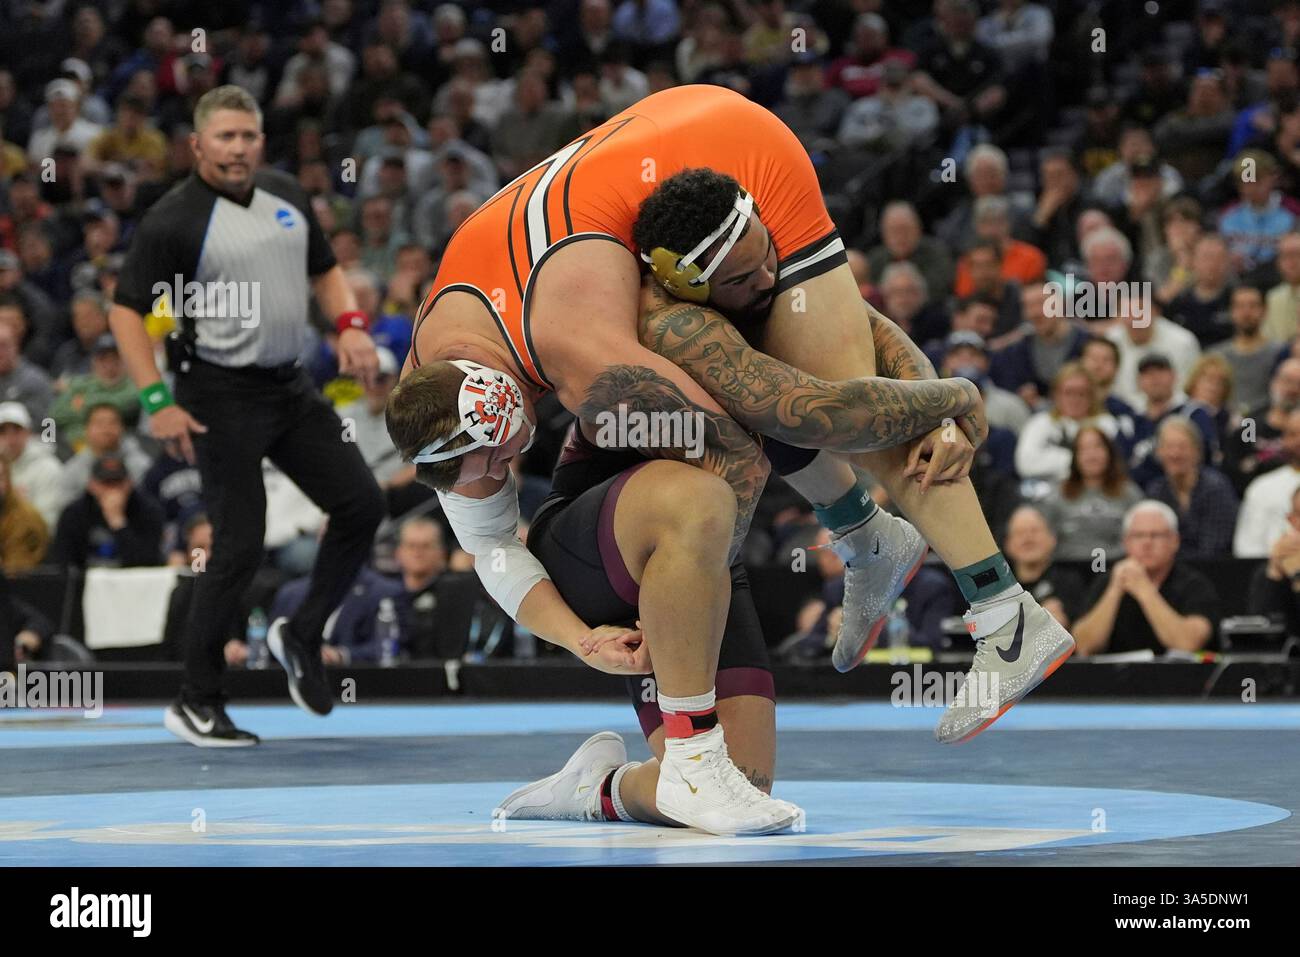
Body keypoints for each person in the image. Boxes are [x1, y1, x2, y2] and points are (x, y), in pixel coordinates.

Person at [393, 84, 1075, 748]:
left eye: (497, 454)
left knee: (792, 402)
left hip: (725, 154)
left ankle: (1003, 612)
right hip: (652, 153)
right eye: (484, 465)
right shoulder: (435, 403)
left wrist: (953, 401)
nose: (500, 471)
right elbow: (488, 544)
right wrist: (579, 638)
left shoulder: (590, 346)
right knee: (784, 359)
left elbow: (775, 425)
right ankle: (869, 535)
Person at [106, 86, 386, 747]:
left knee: (361, 504)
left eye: (248, 136)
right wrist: (155, 399)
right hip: (215, 394)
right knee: (239, 545)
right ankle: (195, 700)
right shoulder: (173, 219)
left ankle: (302, 631)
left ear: (263, 140)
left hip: (289, 385)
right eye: (225, 137)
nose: (238, 148)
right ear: (198, 145)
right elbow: (124, 310)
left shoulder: (287, 192)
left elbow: (326, 270)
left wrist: (349, 325)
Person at [1073, 500, 1221, 656]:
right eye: (1138, 535)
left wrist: (1145, 591)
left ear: (1175, 541)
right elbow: (1084, 646)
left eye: (1156, 535)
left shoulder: (1194, 584)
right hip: (1114, 677)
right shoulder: (1107, 582)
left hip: (1177, 677)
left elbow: (1188, 643)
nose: (1147, 542)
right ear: (1126, 543)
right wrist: (1114, 590)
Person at [1039, 425, 1143, 563]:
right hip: (1067, 567)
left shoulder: (1130, 493)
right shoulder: (1058, 493)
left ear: (1109, 453)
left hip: (1116, 565)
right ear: (1075, 457)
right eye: (1083, 449)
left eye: (1097, 447)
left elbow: (1141, 534)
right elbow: (1044, 535)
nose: (1091, 455)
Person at [1146, 416, 1239, 559]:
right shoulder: (1156, 491)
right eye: (1168, 447)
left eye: (1182, 447)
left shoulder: (1216, 488)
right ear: (1159, 452)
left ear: (1197, 452)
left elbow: (1214, 549)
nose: (1175, 454)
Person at [1015, 363, 1120, 483]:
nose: (1075, 399)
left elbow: (1110, 466)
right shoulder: (1039, 423)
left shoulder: (1106, 424)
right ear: (1056, 395)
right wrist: (1076, 460)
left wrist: (1050, 458)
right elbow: (1025, 465)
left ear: (1092, 395)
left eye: (1081, 393)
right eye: (1068, 392)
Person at [1002, 504, 1083, 628]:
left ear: (1052, 539)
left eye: (1035, 531)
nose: (1028, 539)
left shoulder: (1070, 581)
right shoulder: (998, 586)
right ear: (1008, 544)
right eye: (1019, 533)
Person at [1234, 407, 1300, 558]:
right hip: (1267, 571)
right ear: (1282, 439)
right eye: (1292, 434)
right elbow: (1247, 546)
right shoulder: (1261, 487)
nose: (1298, 441)